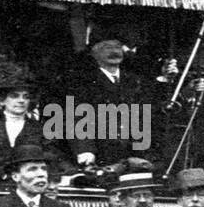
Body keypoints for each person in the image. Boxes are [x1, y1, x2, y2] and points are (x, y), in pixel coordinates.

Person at [61, 30, 151, 170]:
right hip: (101, 154)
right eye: (107, 48)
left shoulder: (134, 80)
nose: (114, 52)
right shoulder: (83, 82)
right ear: (94, 53)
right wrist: (85, 150)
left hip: (134, 153)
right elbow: (77, 118)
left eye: (117, 46)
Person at [0, 69, 56, 182]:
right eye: (15, 96)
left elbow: (50, 158)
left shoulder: (39, 129)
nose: (21, 101)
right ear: (2, 101)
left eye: (25, 97)